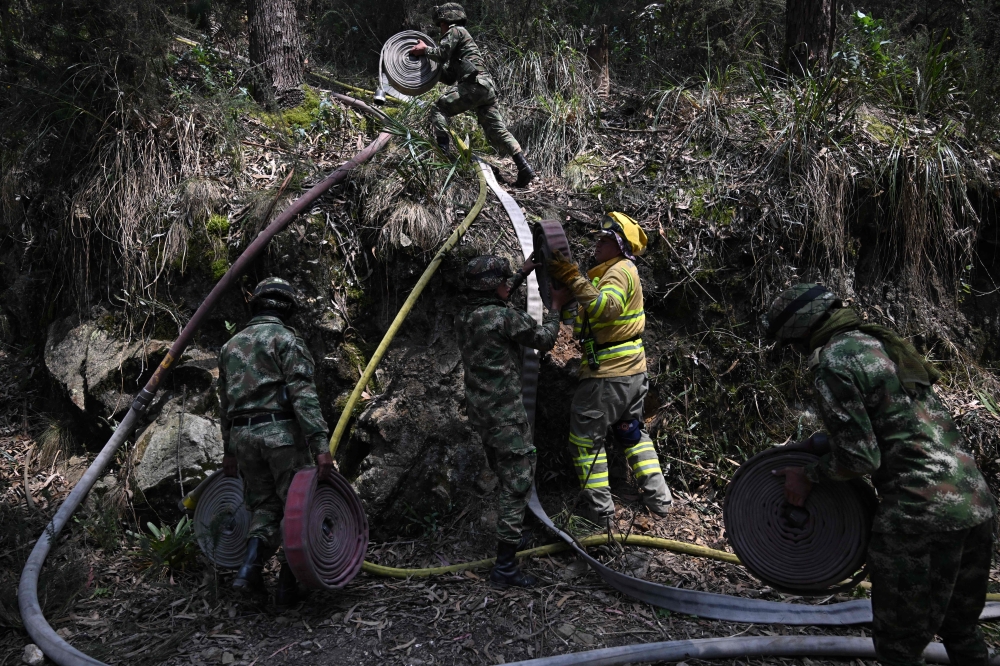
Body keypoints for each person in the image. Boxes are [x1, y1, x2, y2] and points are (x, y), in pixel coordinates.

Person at [767, 283, 996, 666]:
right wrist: (825, 441)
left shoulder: (833, 362)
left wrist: (808, 476)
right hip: (974, 503)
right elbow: (899, 420)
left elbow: (860, 459)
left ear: (798, 333)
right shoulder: (880, 343)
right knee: (962, 631)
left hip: (919, 513)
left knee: (898, 645)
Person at [547, 213, 673, 527]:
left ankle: (600, 516)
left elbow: (606, 308)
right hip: (632, 371)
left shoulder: (619, 271)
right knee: (631, 431)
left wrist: (574, 279)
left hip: (609, 375)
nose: (597, 243)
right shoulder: (618, 270)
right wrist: (567, 298)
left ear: (618, 243)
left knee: (585, 442)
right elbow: (591, 318)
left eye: (604, 239)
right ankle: (661, 501)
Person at [218, 277, 334, 606]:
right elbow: (303, 396)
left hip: (243, 439)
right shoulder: (286, 339)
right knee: (297, 509)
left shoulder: (231, 346)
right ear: (287, 308)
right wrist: (320, 446)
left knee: (265, 507)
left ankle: (248, 573)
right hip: (281, 436)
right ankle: (287, 585)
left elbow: (224, 405)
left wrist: (229, 451)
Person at [456, 255, 570, 587]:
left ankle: (512, 537)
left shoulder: (466, 316)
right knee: (518, 482)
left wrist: (520, 275)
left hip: (482, 415)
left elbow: (497, 300)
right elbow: (545, 338)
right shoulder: (503, 318)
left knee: (506, 475)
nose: (509, 285)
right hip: (505, 416)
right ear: (494, 288)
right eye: (504, 281)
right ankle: (505, 567)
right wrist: (556, 307)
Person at [409, 3, 536, 187]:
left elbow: (441, 53)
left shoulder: (456, 31)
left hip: (474, 85)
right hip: (486, 89)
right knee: (497, 132)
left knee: (438, 108)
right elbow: (449, 77)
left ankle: (442, 151)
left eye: (441, 24)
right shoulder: (460, 48)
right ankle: (524, 167)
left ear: (447, 21)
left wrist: (425, 50)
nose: (441, 29)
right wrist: (429, 68)